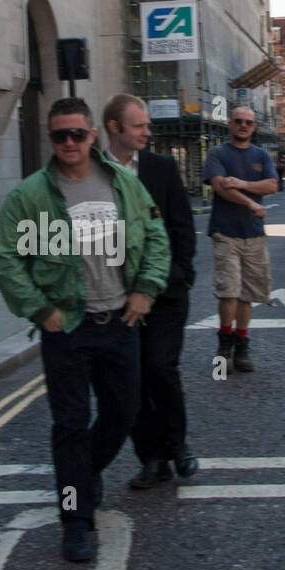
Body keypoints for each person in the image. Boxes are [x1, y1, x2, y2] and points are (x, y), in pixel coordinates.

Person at [0, 97, 170, 562]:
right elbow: (8, 258)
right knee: (69, 425)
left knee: (124, 412)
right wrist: (38, 310)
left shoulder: (123, 185)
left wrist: (146, 289)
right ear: (50, 139)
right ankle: (75, 519)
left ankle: (83, 470)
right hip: (66, 327)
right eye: (59, 135)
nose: (69, 143)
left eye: (78, 134)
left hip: (120, 321)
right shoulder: (30, 195)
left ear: (93, 135)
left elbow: (156, 237)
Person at [101, 94, 199, 489]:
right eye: (139, 125)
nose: (147, 131)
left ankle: (178, 446)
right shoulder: (94, 173)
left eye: (146, 125)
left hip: (165, 293)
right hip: (115, 298)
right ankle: (150, 458)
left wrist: (179, 275)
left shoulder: (161, 168)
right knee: (131, 380)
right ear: (114, 127)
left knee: (160, 367)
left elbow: (182, 228)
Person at [202, 106, 278, 373]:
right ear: (230, 124)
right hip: (225, 232)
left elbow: (272, 185)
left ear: (254, 126)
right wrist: (250, 203)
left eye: (248, 122)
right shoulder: (218, 153)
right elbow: (221, 187)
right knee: (229, 291)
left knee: (248, 294)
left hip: (254, 234)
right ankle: (224, 347)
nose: (243, 125)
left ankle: (242, 344)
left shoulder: (261, 155)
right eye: (238, 121)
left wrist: (243, 184)